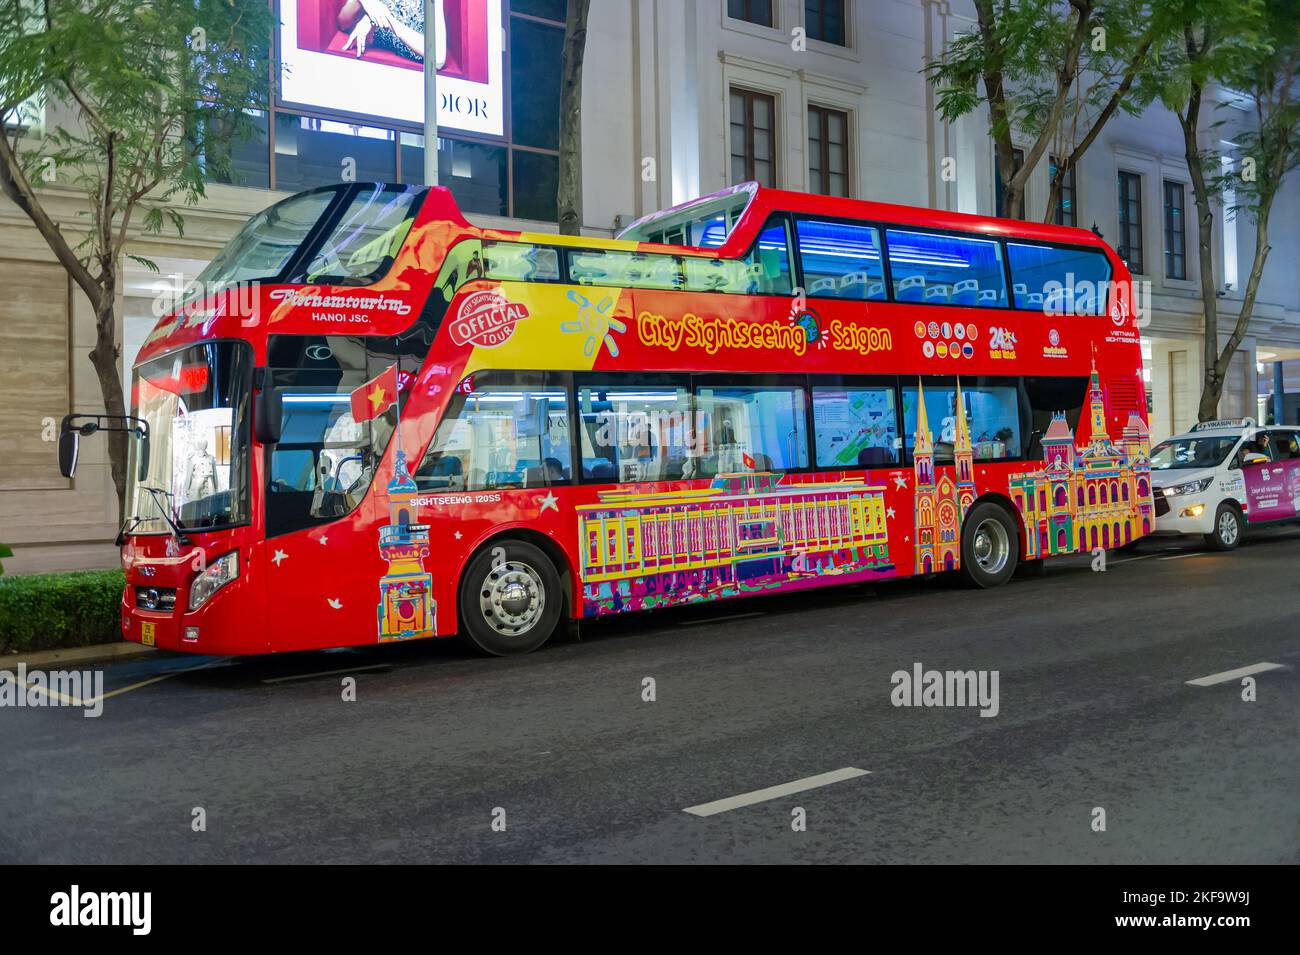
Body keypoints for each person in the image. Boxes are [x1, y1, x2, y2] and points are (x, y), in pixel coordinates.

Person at [338, 0, 446, 67]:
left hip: (413, 74)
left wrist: (387, 19)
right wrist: (369, 3)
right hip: (373, 64)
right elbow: (343, 23)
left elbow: (438, 59)